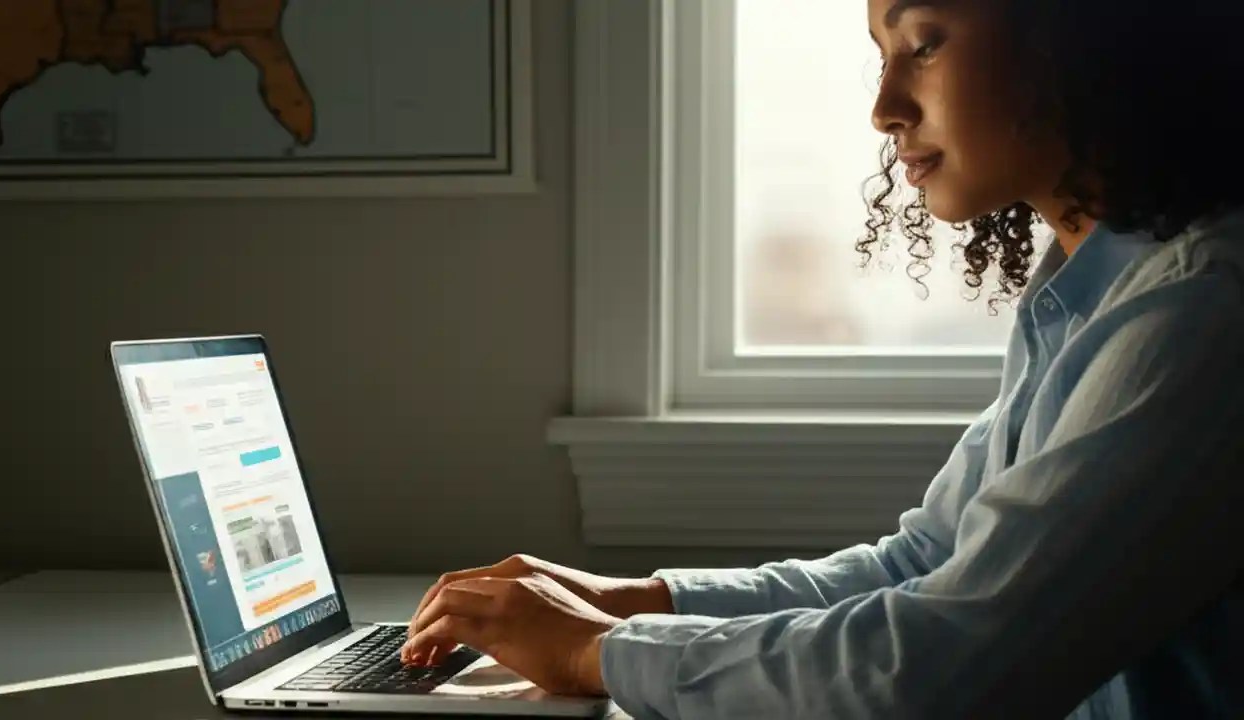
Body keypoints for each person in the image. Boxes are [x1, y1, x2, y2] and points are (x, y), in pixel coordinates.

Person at [399, 0, 1244, 717]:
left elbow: (943, 664)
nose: (885, 107)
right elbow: (922, 568)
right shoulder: (1092, 296)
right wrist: (643, 600)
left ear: (1078, 35)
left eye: (923, 43)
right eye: (881, 56)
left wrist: (600, 653)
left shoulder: (1202, 312)